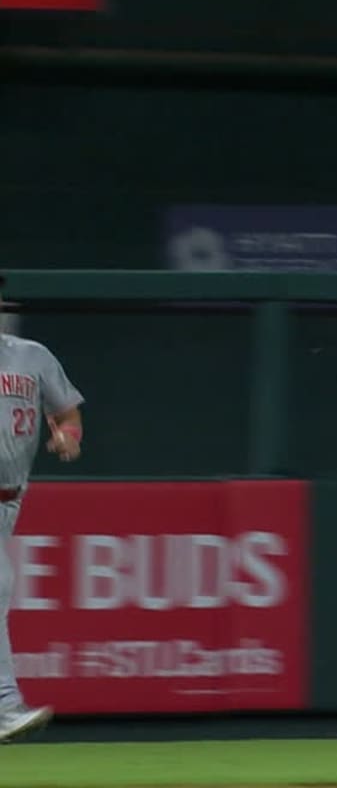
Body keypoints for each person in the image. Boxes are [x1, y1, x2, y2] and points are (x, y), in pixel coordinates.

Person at [0, 272, 84, 742]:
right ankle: (4, 705)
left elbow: (67, 412)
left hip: (9, 500)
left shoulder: (32, 356)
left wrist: (68, 438)